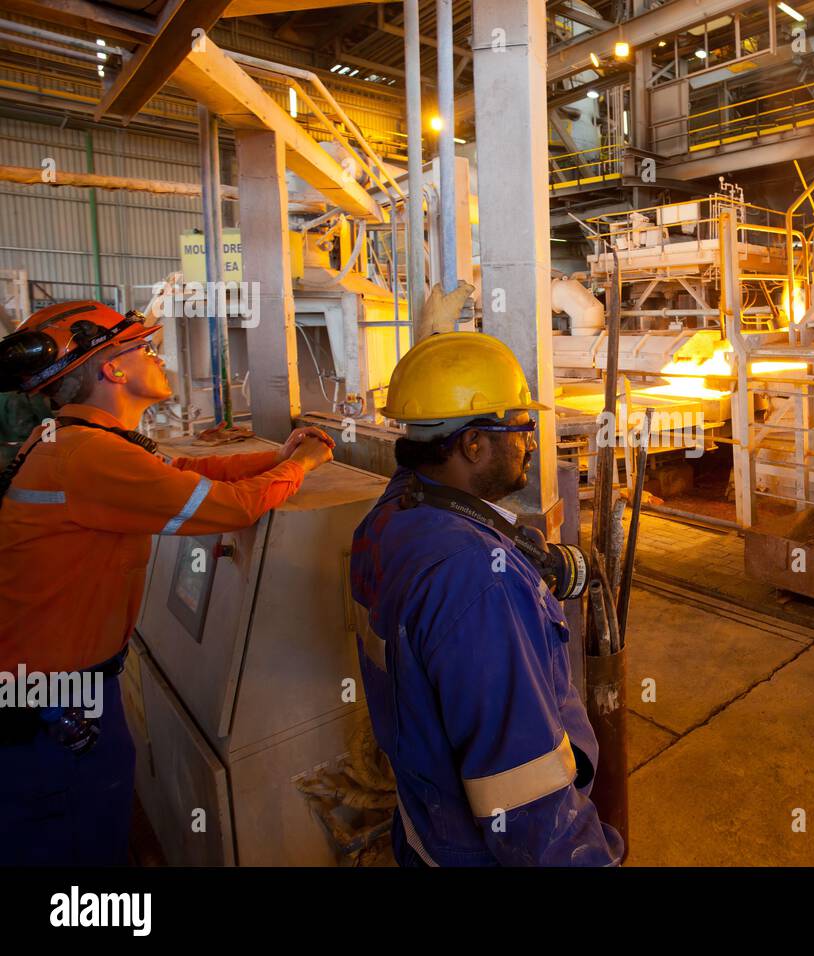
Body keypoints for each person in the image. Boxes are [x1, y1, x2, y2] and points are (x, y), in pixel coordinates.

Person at [0, 300, 334, 865]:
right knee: (75, 840)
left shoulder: (74, 439)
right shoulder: (84, 455)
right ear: (112, 369)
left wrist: (271, 458)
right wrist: (303, 466)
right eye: (143, 348)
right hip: (51, 705)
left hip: (52, 692)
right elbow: (228, 509)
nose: (157, 356)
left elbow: (175, 477)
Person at [351, 331, 623, 867]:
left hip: (425, 828)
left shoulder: (387, 521)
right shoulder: (480, 584)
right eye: (521, 427)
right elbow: (528, 801)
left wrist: (526, 556)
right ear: (474, 444)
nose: (531, 442)